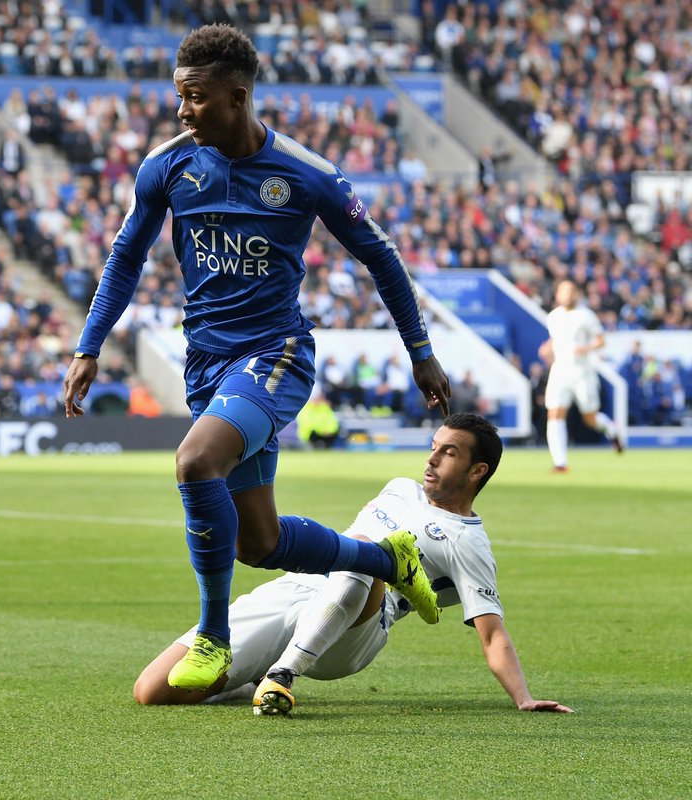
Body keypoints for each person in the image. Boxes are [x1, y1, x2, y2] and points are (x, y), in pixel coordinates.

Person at [62, 24, 451, 691]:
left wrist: (419, 351)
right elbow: (126, 257)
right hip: (207, 364)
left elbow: (382, 257)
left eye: (196, 97)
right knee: (259, 544)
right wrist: (89, 344)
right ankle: (388, 559)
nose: (182, 111)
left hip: (276, 354)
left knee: (195, 461)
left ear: (238, 97)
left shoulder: (306, 174)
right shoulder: (167, 167)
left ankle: (212, 637)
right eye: (179, 96)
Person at [135, 413, 574, 716]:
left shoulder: (468, 542)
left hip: (359, 628)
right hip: (297, 590)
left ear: (477, 471)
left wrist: (523, 698)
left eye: (449, 453)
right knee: (152, 690)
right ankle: (251, 681)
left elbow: (492, 634)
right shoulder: (399, 488)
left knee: (363, 551)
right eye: (433, 447)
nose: (431, 458)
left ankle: (283, 673)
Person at [538, 279, 623, 472]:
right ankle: (560, 463)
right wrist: (547, 348)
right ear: (557, 294)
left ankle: (611, 430)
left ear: (576, 294)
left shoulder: (586, 316)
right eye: (563, 291)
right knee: (554, 413)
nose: (567, 295)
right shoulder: (553, 316)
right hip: (560, 371)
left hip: (582, 372)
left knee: (589, 418)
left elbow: (600, 340)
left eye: (570, 291)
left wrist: (585, 348)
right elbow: (556, 339)